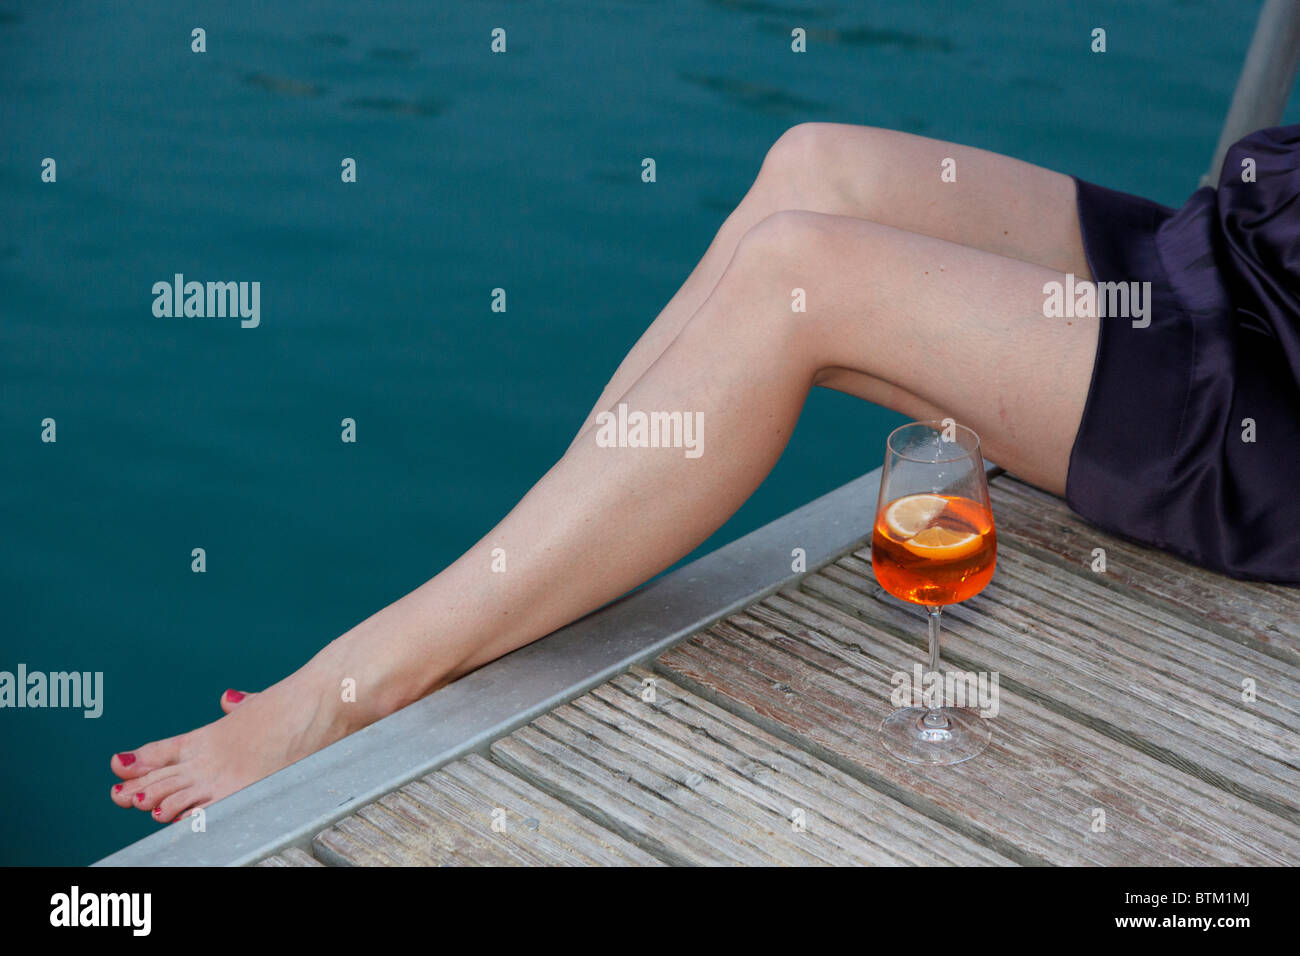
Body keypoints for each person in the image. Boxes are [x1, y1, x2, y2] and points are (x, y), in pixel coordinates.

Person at [108, 121, 1300, 823]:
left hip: (1272, 410)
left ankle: (352, 685)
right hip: (1251, 256)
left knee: (802, 278)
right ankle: (544, 557)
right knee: (812, 165)